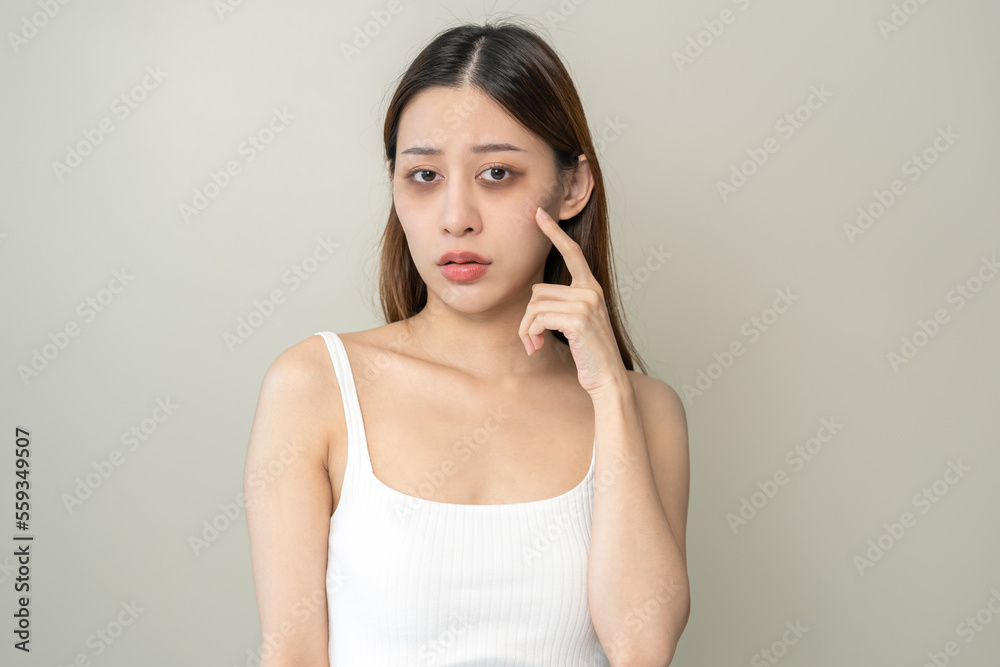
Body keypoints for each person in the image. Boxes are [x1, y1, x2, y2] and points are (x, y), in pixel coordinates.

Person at [244, 17, 690, 666]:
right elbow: (289, 656)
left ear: (572, 186)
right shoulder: (314, 386)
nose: (456, 217)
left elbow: (643, 648)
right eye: (424, 176)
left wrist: (608, 393)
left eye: (498, 173)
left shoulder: (646, 412)